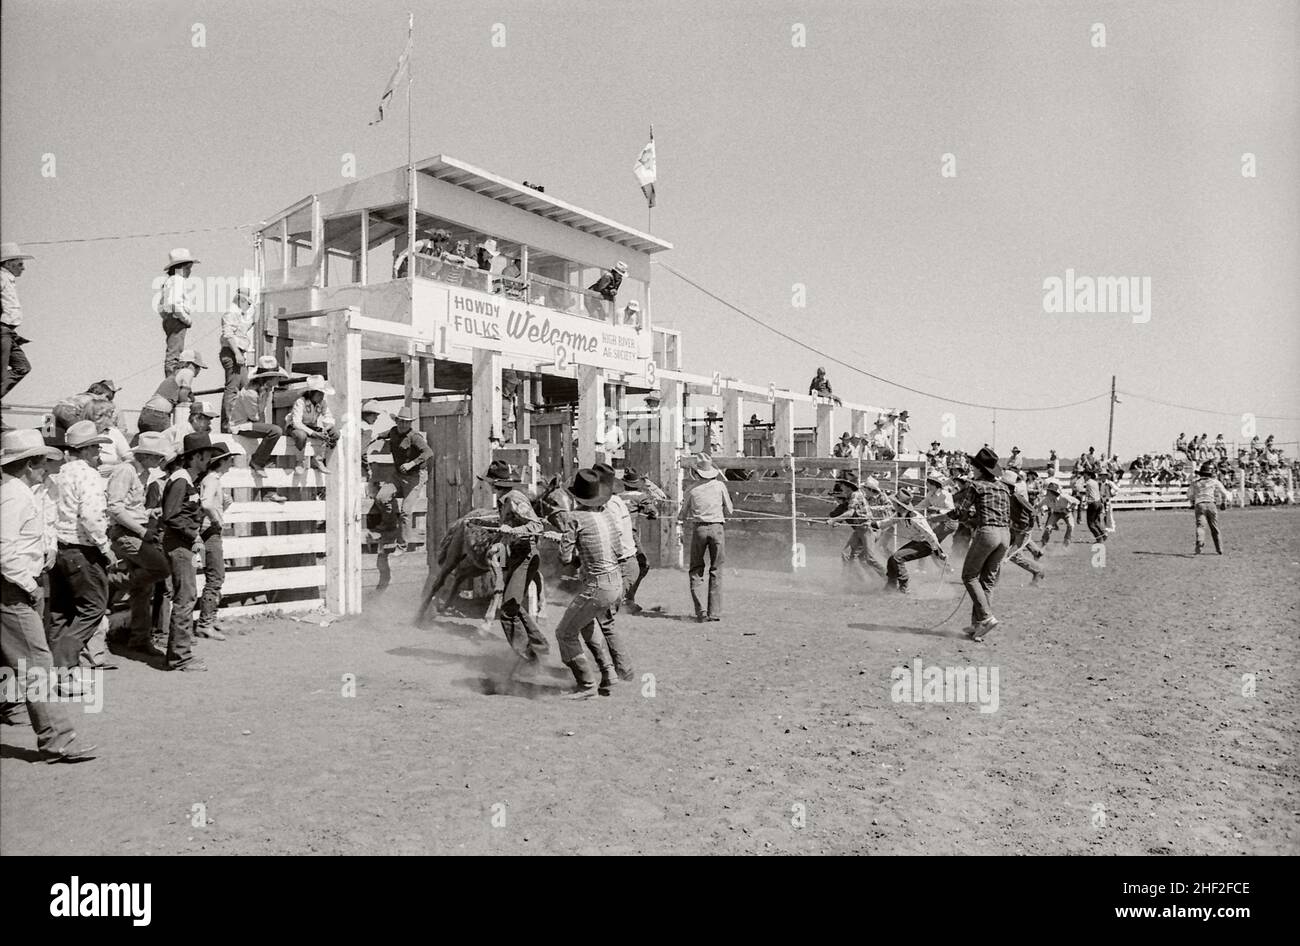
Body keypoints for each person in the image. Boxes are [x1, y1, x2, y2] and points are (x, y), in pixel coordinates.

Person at [0, 429, 99, 762]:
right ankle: (58, 738)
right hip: (14, 587)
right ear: (30, 465)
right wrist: (28, 586)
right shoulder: (16, 496)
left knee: (24, 661)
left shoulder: (16, 492)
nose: (47, 470)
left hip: (16, 584)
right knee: (37, 664)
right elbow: (5, 550)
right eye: (43, 463)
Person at [47, 421, 118, 689]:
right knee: (93, 608)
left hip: (61, 547)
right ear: (86, 449)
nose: (99, 453)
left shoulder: (59, 473)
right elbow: (90, 515)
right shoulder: (87, 475)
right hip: (83, 549)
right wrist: (105, 546)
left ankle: (56, 673)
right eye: (96, 447)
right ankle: (62, 668)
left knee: (61, 612)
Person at [553, 469, 633, 699]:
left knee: (565, 633)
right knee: (587, 626)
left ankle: (587, 685)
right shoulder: (607, 515)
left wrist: (573, 549)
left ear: (576, 497)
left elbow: (565, 558)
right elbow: (617, 551)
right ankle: (609, 675)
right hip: (616, 581)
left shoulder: (573, 518)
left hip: (598, 585)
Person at [159, 434, 230, 672]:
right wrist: (193, 534)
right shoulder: (181, 480)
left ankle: (179, 652)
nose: (210, 459)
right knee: (185, 598)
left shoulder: (186, 479)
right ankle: (180, 657)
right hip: (179, 545)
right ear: (196, 456)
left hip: (182, 544)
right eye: (207, 455)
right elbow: (171, 515)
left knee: (185, 597)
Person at [104, 432, 171, 655]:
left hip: (134, 530)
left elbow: (129, 507)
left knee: (143, 588)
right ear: (145, 455)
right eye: (156, 456)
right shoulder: (126, 471)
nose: (159, 461)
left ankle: (139, 639)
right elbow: (115, 507)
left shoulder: (139, 473)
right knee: (159, 568)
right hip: (127, 533)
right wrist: (142, 530)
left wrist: (149, 513)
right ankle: (112, 580)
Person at [482, 461, 550, 667]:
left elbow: (537, 525)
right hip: (515, 555)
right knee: (513, 604)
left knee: (508, 609)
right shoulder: (504, 500)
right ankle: (539, 646)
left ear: (494, 483)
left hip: (525, 556)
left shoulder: (514, 499)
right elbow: (509, 524)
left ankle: (527, 658)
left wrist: (514, 532)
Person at [951, 447, 1010, 640]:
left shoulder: (975, 486)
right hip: (1004, 535)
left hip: (988, 533)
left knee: (969, 576)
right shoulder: (1003, 487)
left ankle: (985, 618)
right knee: (987, 581)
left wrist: (948, 516)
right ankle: (978, 626)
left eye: (973, 466)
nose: (971, 468)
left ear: (979, 468)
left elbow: (961, 512)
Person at [677, 455, 732, 622]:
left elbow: (682, 514)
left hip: (699, 529)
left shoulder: (692, 490)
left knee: (696, 569)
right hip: (717, 528)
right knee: (716, 570)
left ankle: (700, 610)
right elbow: (730, 509)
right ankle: (714, 612)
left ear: (697, 473)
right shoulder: (720, 486)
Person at [376, 406, 434, 554]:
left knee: (406, 512)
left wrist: (411, 463)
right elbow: (382, 435)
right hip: (398, 475)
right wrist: (375, 438)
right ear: (397, 421)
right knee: (381, 498)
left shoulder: (415, 437)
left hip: (415, 476)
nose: (403, 425)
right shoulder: (393, 432)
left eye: (406, 422)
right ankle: (391, 524)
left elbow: (428, 452)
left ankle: (402, 546)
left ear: (410, 424)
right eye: (401, 421)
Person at [195, 445, 239, 641]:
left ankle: (209, 619)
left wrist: (223, 505)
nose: (231, 462)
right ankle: (205, 622)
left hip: (206, 531)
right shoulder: (212, 479)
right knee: (216, 576)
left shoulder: (212, 480)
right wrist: (216, 518)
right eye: (229, 459)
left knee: (215, 575)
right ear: (220, 461)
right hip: (209, 532)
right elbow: (206, 503)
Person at [227, 355, 288, 474]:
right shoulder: (250, 393)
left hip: (251, 423)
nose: (279, 379)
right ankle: (257, 462)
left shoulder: (266, 390)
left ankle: (264, 462)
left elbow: (260, 415)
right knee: (275, 431)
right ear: (269, 378)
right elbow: (254, 416)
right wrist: (265, 428)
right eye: (276, 377)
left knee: (275, 434)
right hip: (241, 425)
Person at [828, 475, 889, 588]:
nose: (841, 488)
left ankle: (888, 578)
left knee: (868, 558)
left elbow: (851, 512)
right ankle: (853, 580)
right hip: (860, 529)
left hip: (867, 529)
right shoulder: (851, 496)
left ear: (847, 486)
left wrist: (834, 520)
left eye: (842, 485)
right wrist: (836, 521)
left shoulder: (856, 495)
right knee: (847, 554)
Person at [885, 489, 945, 594]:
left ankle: (905, 587)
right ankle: (891, 586)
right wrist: (873, 525)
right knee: (891, 559)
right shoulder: (899, 514)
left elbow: (930, 534)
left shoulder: (916, 518)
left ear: (899, 505)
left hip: (926, 545)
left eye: (894, 502)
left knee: (897, 558)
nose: (892, 503)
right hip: (917, 543)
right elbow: (887, 522)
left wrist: (938, 550)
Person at [136, 350, 206, 434]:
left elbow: (188, 395)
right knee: (166, 443)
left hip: (146, 413)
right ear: (188, 364)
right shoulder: (187, 372)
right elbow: (182, 396)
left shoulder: (176, 374)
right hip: (159, 416)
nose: (198, 370)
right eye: (197, 366)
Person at [219, 286, 257, 432]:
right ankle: (228, 423)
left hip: (236, 353)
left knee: (243, 386)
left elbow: (243, 328)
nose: (248, 306)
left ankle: (237, 420)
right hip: (232, 352)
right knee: (233, 388)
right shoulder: (231, 313)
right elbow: (228, 334)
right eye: (248, 303)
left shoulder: (238, 315)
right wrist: (237, 353)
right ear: (242, 300)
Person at [158, 248, 200, 378]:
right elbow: (174, 303)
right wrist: (186, 319)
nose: (190, 271)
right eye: (188, 268)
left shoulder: (169, 281)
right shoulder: (178, 280)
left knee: (174, 352)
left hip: (171, 318)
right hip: (177, 319)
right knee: (175, 354)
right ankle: (172, 382)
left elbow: (161, 306)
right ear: (181, 268)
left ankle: (172, 380)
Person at [1, 242, 35, 397]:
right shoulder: (1, 278)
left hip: (8, 332)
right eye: (20, 264)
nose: (23, 268)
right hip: (3, 330)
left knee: (22, 366)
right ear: (8, 263)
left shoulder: (7, 279)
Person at [1002, 470, 1045, 585]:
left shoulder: (1016, 496)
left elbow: (1032, 510)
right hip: (1014, 528)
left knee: (1013, 555)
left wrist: (1028, 526)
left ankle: (1038, 570)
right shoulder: (1007, 496)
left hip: (1022, 529)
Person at [288, 375, 336, 473]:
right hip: (294, 426)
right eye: (319, 394)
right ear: (311, 393)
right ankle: (300, 461)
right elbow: (297, 422)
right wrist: (313, 433)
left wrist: (326, 427)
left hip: (310, 426)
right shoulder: (300, 402)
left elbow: (328, 416)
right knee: (301, 435)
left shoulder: (322, 403)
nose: (322, 396)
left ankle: (319, 460)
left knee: (333, 434)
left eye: (322, 393)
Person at [1188, 460, 1231, 555]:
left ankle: (1200, 540)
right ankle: (1219, 548)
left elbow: (1189, 495)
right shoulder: (1214, 481)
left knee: (1200, 526)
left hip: (1199, 504)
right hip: (1211, 504)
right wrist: (1225, 502)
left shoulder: (1195, 482)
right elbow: (1225, 492)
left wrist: (1193, 501)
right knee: (1214, 527)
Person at [1038, 481, 1077, 547]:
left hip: (1066, 513)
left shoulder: (1064, 496)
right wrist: (1038, 511)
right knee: (1048, 528)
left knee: (1071, 526)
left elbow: (1076, 502)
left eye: (1048, 491)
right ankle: (1043, 543)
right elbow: (1039, 505)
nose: (1047, 493)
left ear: (1053, 493)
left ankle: (1066, 541)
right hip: (1056, 513)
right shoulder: (1047, 499)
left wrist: (1068, 509)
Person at [1083, 470, 1107, 542]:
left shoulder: (1088, 483)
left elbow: (1088, 494)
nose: (1084, 477)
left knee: (1091, 523)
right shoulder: (1095, 482)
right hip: (1098, 502)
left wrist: (1085, 502)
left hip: (1093, 503)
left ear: (1089, 475)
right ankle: (1103, 534)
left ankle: (1099, 538)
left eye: (1085, 475)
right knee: (1096, 521)